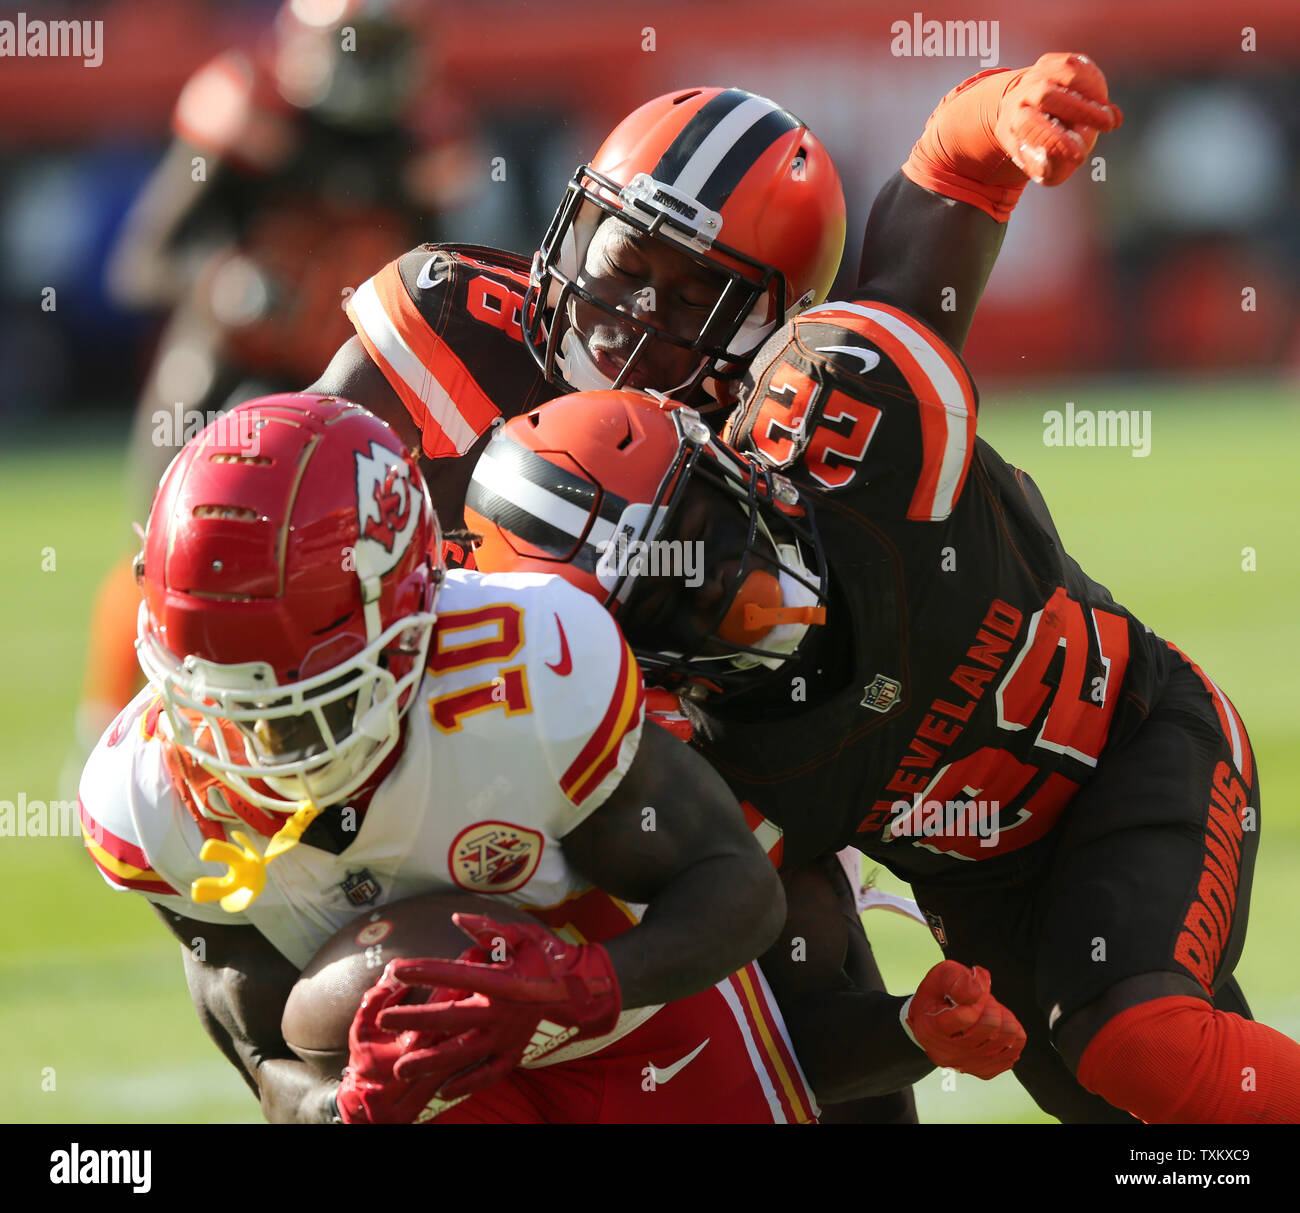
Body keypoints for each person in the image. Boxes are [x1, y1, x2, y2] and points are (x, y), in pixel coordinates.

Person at [463, 315, 1300, 1123]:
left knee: (1136, 1045)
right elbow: (794, 1032)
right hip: (990, 896)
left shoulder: (861, 423)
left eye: (696, 530)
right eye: (658, 601)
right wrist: (914, 1027)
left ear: (722, 456)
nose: (717, 580)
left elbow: (933, 244)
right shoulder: (707, 766)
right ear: (626, 656)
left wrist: (972, 166)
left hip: (1139, 737)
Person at [74, 0, 479, 755]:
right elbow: (142, 262)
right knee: (161, 551)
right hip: (226, 367)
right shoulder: (250, 112)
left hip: (339, 382)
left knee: (366, 558)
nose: (370, 64)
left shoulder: (422, 137)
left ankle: (323, 732)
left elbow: (436, 273)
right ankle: (104, 737)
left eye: (385, 46)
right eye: (358, 44)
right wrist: (223, 284)